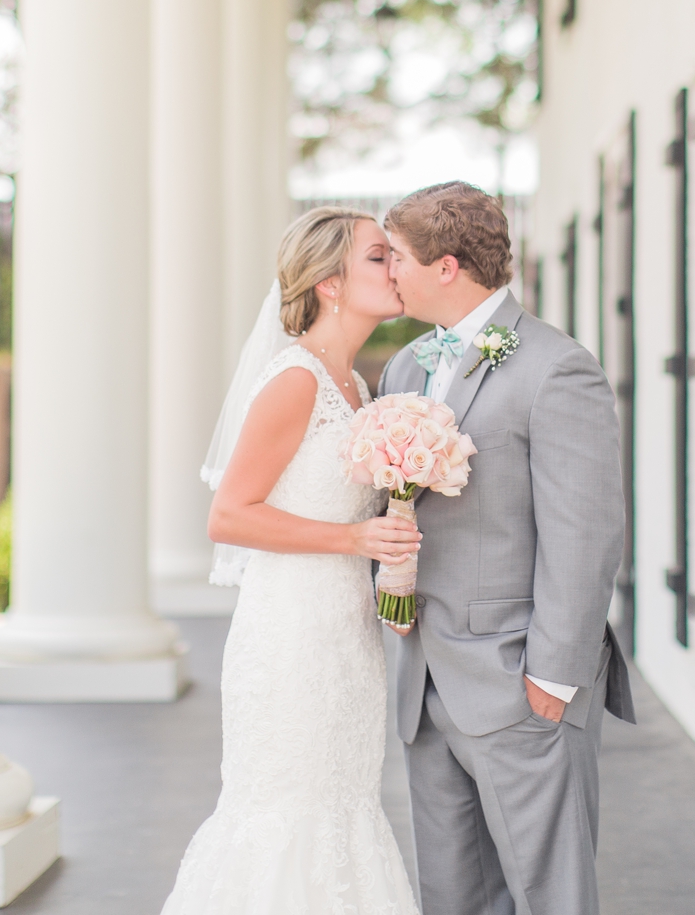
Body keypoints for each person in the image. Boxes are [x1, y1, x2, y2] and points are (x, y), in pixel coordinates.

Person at [378, 181, 633, 915]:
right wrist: (387, 585)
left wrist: (553, 678)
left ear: (447, 266)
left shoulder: (556, 366)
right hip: (424, 687)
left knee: (549, 895)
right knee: (453, 897)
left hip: (521, 683)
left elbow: (586, 531)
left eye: (396, 255)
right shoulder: (406, 366)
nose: (387, 269)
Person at [159, 207, 423, 915]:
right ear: (331, 283)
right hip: (290, 641)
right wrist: (355, 542)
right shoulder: (296, 380)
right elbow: (229, 514)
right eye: (378, 256)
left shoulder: (358, 388)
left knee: (343, 813)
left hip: (348, 638)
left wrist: (391, 568)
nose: (396, 267)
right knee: (288, 815)